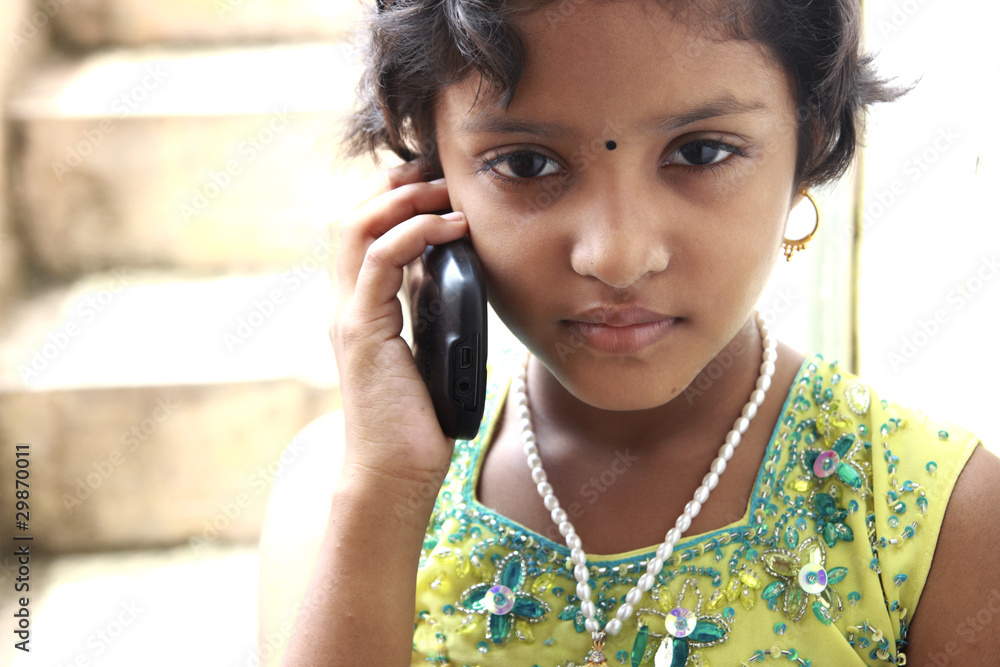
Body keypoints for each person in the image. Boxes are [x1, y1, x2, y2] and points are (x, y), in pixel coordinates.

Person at [259, 0, 1000, 665]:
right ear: (429, 173)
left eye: (701, 152)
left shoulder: (938, 521)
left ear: (810, 143)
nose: (616, 256)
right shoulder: (343, 494)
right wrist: (385, 494)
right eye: (526, 163)